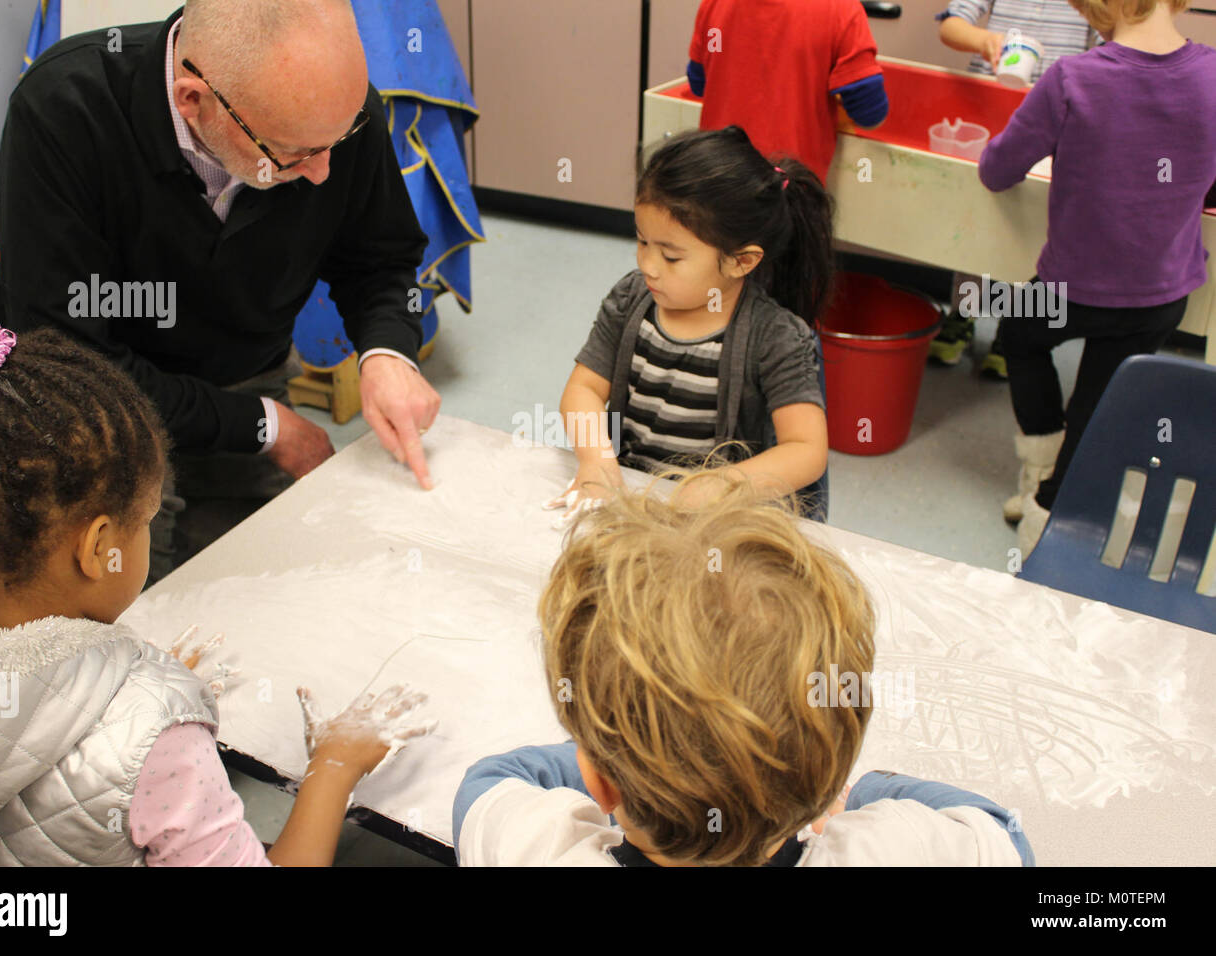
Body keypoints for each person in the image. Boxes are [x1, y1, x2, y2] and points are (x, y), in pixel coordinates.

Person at [0, 273, 433, 865]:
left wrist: (108, 677)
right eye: (146, 520)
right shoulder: (157, 743)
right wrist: (333, 769)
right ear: (97, 548)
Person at [0, 0, 441, 583]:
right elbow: (68, 360)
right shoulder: (62, 109)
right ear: (192, 101)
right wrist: (266, 425)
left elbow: (381, 258)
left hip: (243, 374)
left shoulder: (330, 118)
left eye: (339, 136)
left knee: (269, 583)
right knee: (123, 608)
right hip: (91, 412)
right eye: (294, 153)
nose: (324, 171)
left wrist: (387, 352)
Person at [455, 475, 1035, 866]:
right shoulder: (889, 851)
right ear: (830, 772)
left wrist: (620, 755)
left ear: (600, 782)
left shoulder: (542, 851)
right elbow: (1003, 834)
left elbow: (488, 783)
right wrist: (864, 791)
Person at [978, 0, 1214, 554]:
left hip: (1071, 289)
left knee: (1019, 329)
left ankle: (1040, 474)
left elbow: (997, 170)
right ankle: (1049, 510)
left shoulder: (1072, 78)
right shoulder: (1210, 74)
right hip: (1162, 292)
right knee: (1096, 400)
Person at [547, 128, 831, 527]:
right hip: (630, 498)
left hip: (716, 521)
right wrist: (596, 459)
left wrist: (725, 483)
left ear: (741, 262)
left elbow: (806, 449)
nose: (647, 264)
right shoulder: (632, 298)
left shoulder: (775, 337)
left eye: (671, 256)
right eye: (643, 242)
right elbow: (584, 388)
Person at [933, 0, 1103, 376]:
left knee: (1030, 225)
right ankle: (963, 313)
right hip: (989, 106)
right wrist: (985, 41)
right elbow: (951, 25)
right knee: (977, 220)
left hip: (1056, 115)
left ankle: (1012, 328)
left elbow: (1111, 39)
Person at [686, 0, 888, 188]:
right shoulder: (841, 10)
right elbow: (869, 114)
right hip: (789, 193)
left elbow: (699, 83)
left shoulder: (715, 4)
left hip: (714, 181)